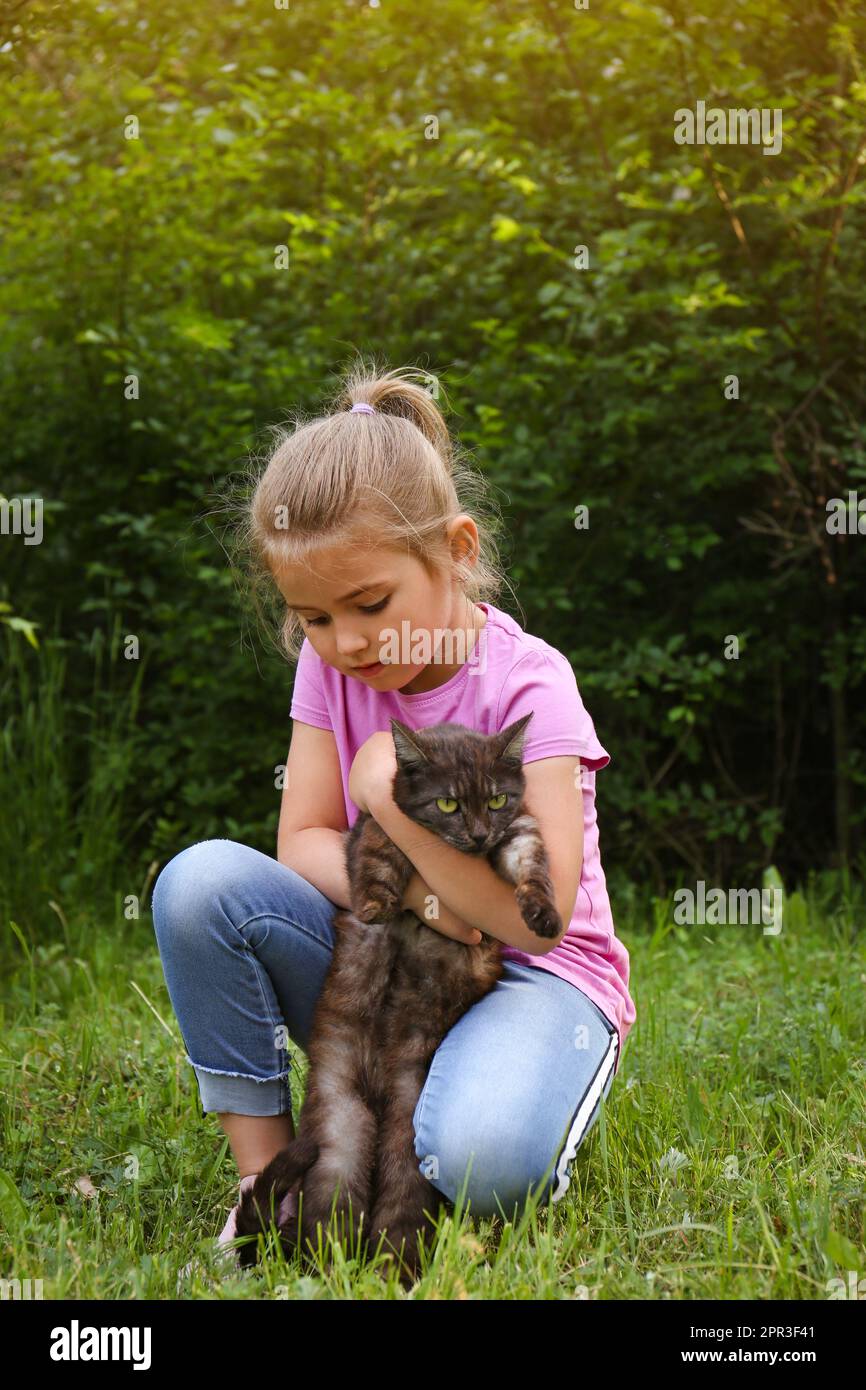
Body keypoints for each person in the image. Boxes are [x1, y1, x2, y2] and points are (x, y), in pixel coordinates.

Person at [152, 359, 636, 1274]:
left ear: (456, 549)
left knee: (483, 1158)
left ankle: (489, 1100)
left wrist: (388, 804)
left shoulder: (533, 685)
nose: (346, 643)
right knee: (200, 884)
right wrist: (418, 901)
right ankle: (272, 1187)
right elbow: (299, 842)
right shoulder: (328, 667)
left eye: (369, 605)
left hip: (535, 977)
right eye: (314, 618)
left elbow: (537, 921)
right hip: (389, 954)